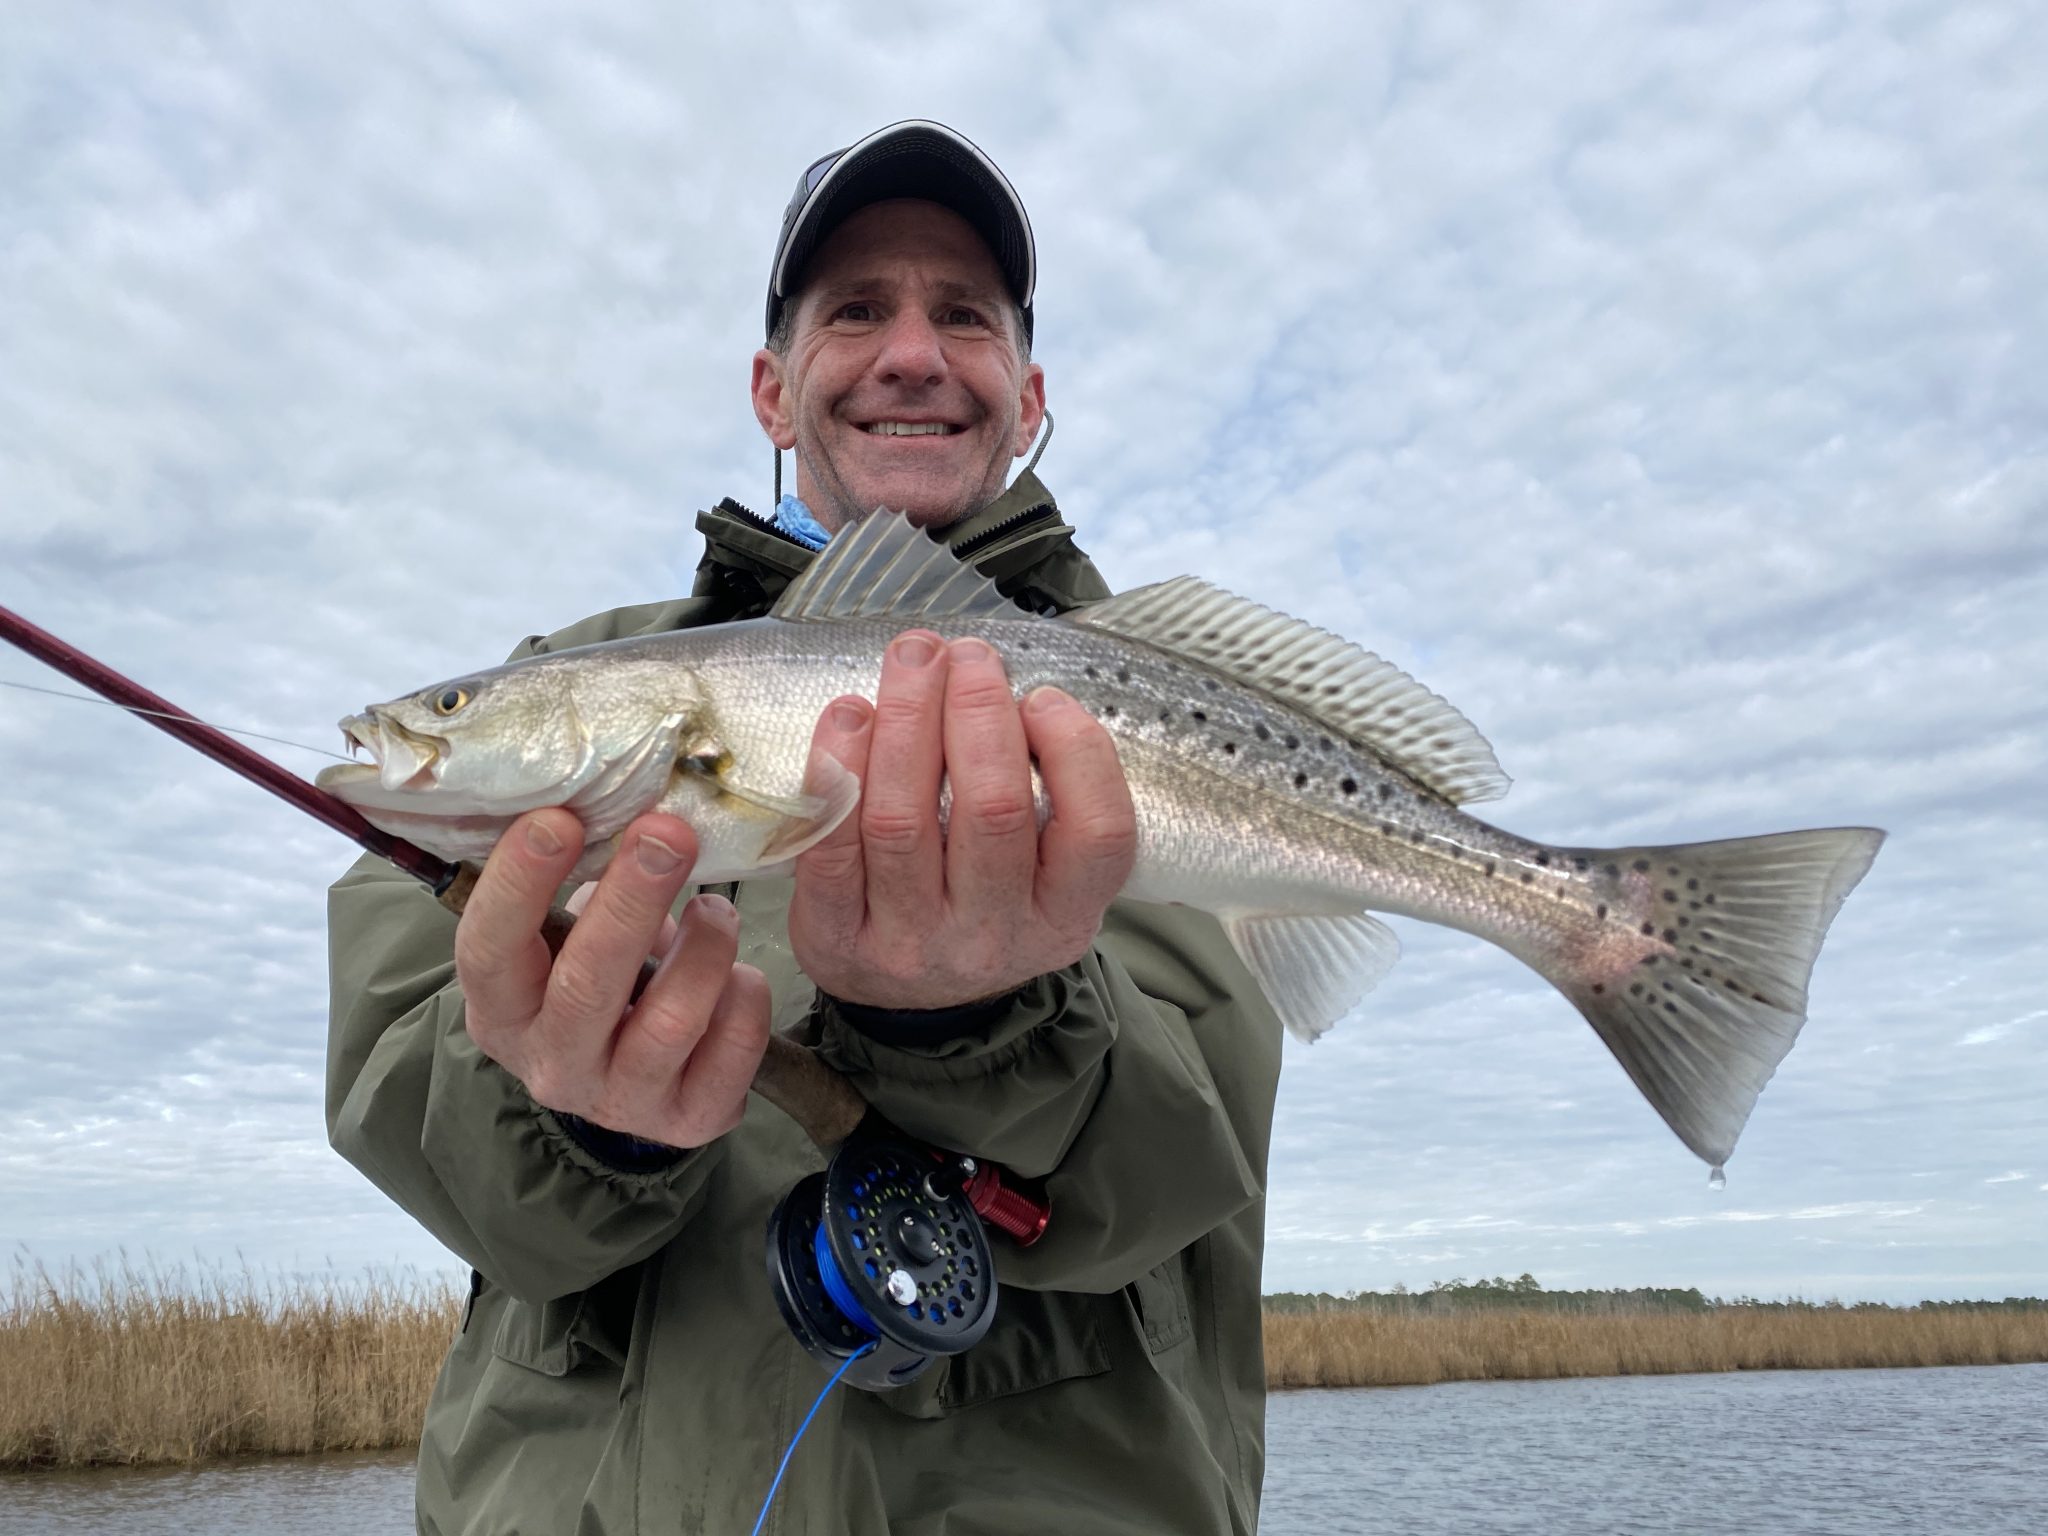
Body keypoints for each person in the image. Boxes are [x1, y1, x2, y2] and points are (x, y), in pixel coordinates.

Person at [327, 120, 1284, 1535]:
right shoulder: (581, 670)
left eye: (964, 315)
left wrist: (976, 1027)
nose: (912, 351)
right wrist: (572, 1116)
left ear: (1026, 396)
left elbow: (1177, 1176)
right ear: (775, 391)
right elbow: (426, 1141)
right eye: (856, 311)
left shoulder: (1146, 707)